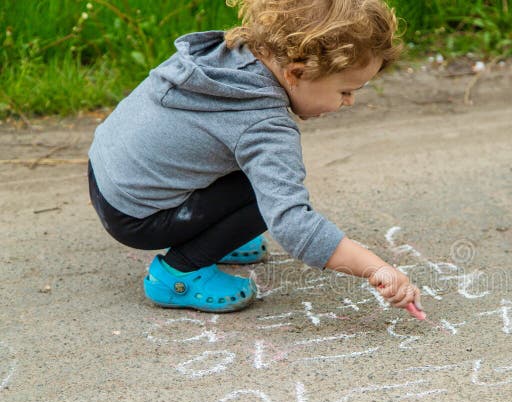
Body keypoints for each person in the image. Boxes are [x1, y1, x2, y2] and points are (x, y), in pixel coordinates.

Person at [87, 0, 423, 314]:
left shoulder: (228, 54)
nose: (349, 102)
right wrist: (376, 267)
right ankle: (179, 274)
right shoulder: (264, 124)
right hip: (137, 216)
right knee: (268, 194)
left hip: (106, 175)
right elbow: (292, 223)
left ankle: (216, 237)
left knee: (258, 178)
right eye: (345, 91)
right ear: (296, 73)